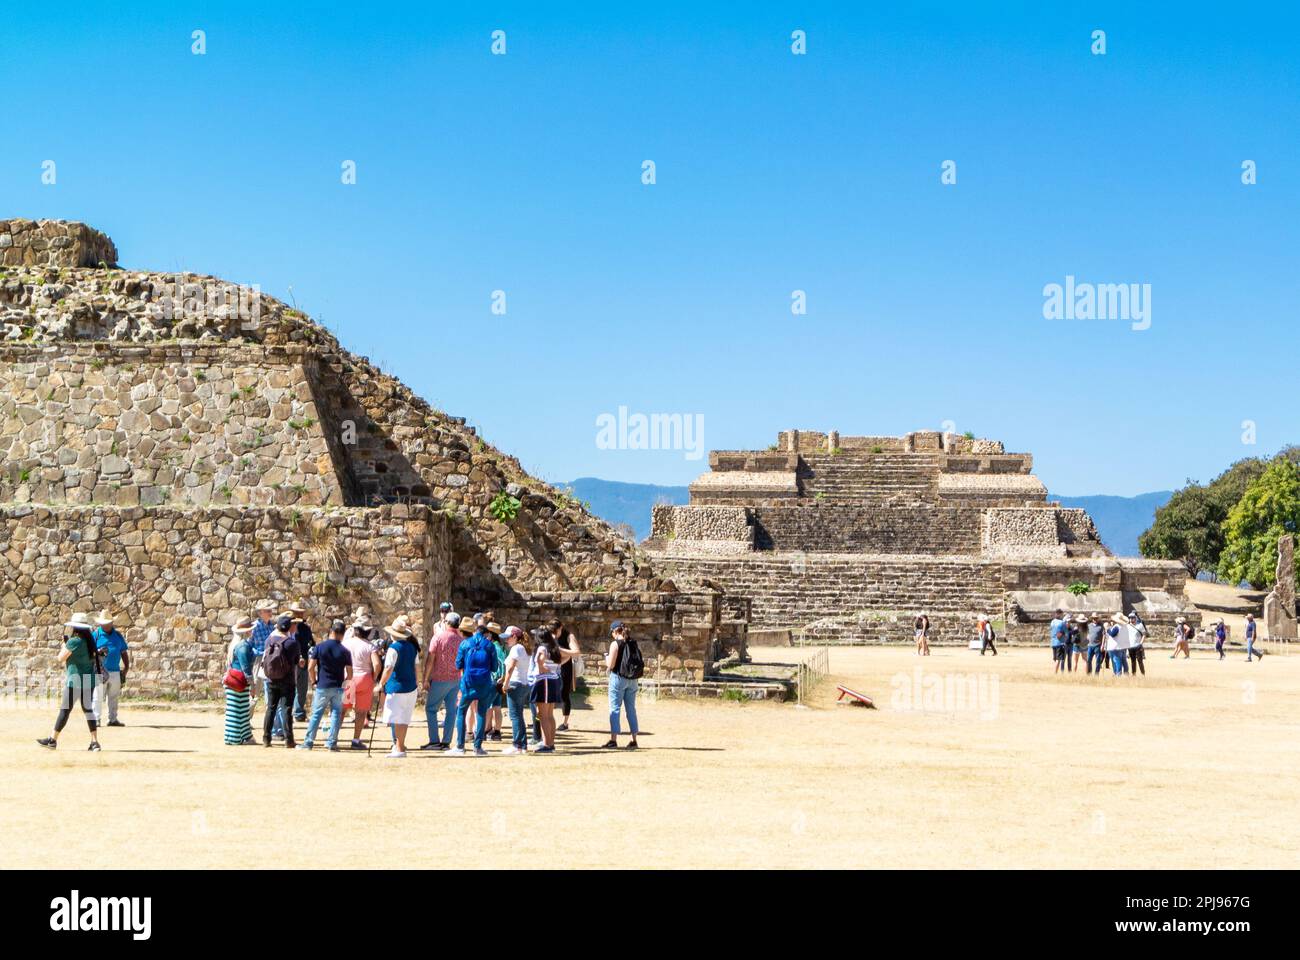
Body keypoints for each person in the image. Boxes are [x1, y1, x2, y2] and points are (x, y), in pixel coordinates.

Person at [37, 612, 101, 752]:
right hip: (88, 679)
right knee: (88, 710)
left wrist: (64, 644)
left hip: (75, 680)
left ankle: (53, 740)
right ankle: (94, 742)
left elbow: (60, 658)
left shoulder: (74, 641)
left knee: (65, 710)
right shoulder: (90, 641)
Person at [299, 620, 353, 751]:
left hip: (322, 685)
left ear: (331, 631)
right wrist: (345, 683)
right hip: (338, 686)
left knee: (316, 714)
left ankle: (308, 742)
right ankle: (331, 742)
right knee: (336, 714)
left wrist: (314, 682)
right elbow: (350, 673)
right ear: (342, 634)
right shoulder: (345, 651)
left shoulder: (320, 647)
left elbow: (311, 667)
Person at [450, 620, 502, 756]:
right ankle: (477, 747)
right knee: (481, 713)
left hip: (467, 683)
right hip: (484, 683)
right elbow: (495, 667)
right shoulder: (489, 646)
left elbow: (457, 664)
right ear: (486, 634)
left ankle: (460, 746)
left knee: (461, 712)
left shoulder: (465, 643)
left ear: (474, 632)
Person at [374, 618, 420, 758]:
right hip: (411, 687)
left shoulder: (393, 648)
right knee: (404, 719)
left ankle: (399, 748)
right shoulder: (412, 647)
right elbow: (416, 666)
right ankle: (399, 746)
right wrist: (417, 682)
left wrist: (380, 684)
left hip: (397, 687)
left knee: (397, 718)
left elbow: (388, 669)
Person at [420, 612, 464, 750]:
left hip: (439, 678)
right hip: (455, 679)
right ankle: (446, 742)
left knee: (431, 709)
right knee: (451, 711)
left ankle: (434, 740)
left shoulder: (438, 637)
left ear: (446, 622)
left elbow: (430, 659)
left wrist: (426, 679)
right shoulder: (461, 640)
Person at [260, 614, 301, 749]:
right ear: (289, 628)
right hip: (287, 680)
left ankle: (266, 738)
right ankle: (289, 740)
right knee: (286, 709)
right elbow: (296, 662)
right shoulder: (292, 643)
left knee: (270, 708)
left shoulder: (268, 641)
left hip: (271, 679)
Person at [342, 612, 382, 749]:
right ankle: (356, 740)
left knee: (343, 709)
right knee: (361, 711)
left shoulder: (346, 643)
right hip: (364, 678)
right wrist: (374, 677)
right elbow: (377, 664)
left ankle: (333, 737)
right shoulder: (370, 646)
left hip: (349, 677)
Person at [528, 627, 565, 753]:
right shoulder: (554, 648)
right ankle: (551, 743)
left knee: (543, 715)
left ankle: (547, 744)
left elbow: (541, 659)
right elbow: (563, 659)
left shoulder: (542, 648)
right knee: (549, 715)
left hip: (544, 681)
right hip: (553, 680)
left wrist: (541, 667)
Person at [604, 621, 639, 750]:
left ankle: (613, 739)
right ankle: (633, 739)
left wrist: (606, 657)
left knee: (615, 708)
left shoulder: (615, 644)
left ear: (615, 631)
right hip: (632, 679)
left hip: (618, 678)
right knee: (631, 709)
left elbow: (611, 665)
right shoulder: (632, 642)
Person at [91, 609, 129, 727]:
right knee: (97, 696)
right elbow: (89, 652)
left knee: (113, 696)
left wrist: (126, 667)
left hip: (115, 671)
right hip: (99, 670)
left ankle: (113, 719)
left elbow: (123, 652)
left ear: (112, 623)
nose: (105, 625)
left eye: (107, 622)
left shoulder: (118, 636)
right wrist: (97, 652)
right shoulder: (95, 635)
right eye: (103, 623)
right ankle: (96, 719)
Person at [224, 616, 257, 745]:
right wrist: (252, 684)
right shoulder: (243, 646)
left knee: (238, 709)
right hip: (239, 681)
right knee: (238, 711)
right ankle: (236, 738)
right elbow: (246, 668)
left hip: (234, 680)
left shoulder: (236, 644)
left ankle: (237, 736)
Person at [499, 626, 531, 755]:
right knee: (518, 715)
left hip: (515, 684)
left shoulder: (516, 649)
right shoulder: (523, 649)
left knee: (515, 716)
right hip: (522, 684)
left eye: (508, 638)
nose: (506, 640)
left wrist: (505, 683)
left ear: (514, 637)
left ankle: (517, 745)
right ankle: (522, 745)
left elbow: (511, 667)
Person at [546, 620, 579, 731]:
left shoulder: (569, 636)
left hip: (565, 668)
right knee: (548, 694)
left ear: (561, 627)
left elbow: (576, 652)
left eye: (556, 631)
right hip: (551, 668)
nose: (554, 635)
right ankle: (544, 718)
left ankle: (565, 723)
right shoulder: (549, 634)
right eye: (553, 632)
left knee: (564, 694)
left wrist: (560, 650)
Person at [288, 600, 315, 723]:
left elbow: (311, 643)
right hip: (292, 661)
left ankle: (298, 713)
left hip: (303, 660)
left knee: (302, 688)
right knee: (292, 687)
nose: (299, 615)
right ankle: (293, 712)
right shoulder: (289, 627)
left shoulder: (305, 628)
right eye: (296, 612)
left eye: (300, 613)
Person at [250, 598, 276, 711]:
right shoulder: (254, 627)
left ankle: (269, 720)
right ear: (260, 613)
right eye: (267, 611)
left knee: (270, 689)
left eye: (270, 610)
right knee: (255, 688)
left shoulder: (272, 626)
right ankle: (246, 718)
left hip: (271, 659)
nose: (270, 613)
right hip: (259, 659)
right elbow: (250, 645)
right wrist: (260, 653)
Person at [486, 625, 510, 741]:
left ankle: (487, 730)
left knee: (489, 707)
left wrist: (498, 677)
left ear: (491, 634)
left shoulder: (493, 647)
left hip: (493, 680)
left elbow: (500, 663)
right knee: (497, 707)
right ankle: (497, 731)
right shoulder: (501, 646)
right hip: (499, 681)